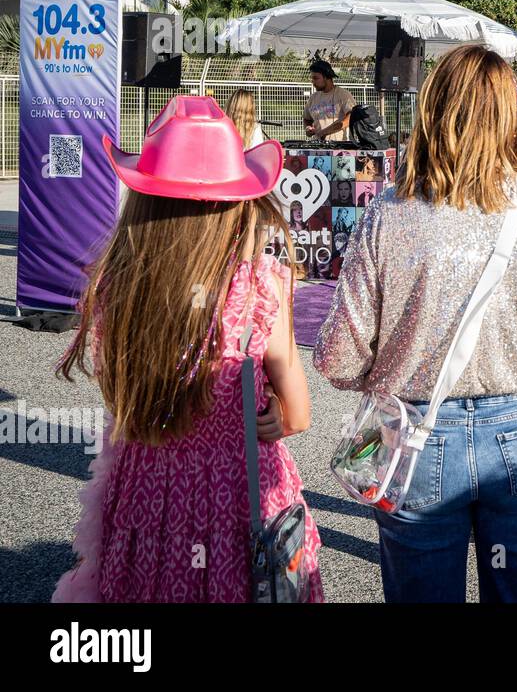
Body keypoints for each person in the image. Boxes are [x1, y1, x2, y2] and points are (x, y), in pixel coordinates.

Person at [314, 44, 517, 603]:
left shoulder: (390, 215)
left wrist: (396, 364)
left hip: (415, 436)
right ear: (513, 117)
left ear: (433, 113)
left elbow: (338, 357)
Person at [53, 96, 322, 602]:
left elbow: (121, 398)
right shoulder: (263, 287)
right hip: (242, 494)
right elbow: (300, 414)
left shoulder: (116, 288)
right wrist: (274, 415)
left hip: (147, 495)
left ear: (144, 201)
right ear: (235, 201)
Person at [303, 59, 357, 141]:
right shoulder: (313, 98)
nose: (313, 82)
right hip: (317, 146)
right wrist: (308, 128)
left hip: (338, 147)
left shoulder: (343, 95)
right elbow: (307, 119)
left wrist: (325, 132)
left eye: (316, 78)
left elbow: (351, 117)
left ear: (326, 77)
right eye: (312, 79)